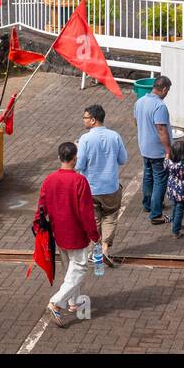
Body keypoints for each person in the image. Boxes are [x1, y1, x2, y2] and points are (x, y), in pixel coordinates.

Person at [37, 142, 101, 327]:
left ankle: (73, 302)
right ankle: (56, 302)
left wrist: (38, 227)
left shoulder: (49, 180)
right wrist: (94, 235)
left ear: (59, 158)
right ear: (75, 158)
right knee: (79, 268)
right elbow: (87, 214)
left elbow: (42, 206)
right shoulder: (80, 181)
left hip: (59, 233)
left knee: (69, 269)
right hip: (77, 235)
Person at [75, 104, 128, 268]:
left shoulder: (85, 139)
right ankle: (105, 250)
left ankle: (95, 252)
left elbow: (79, 164)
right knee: (111, 218)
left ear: (93, 120)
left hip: (91, 189)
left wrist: (77, 149)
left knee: (94, 220)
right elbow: (123, 160)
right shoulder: (115, 136)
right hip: (111, 187)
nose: (83, 120)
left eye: (85, 118)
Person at [133, 76, 173, 224]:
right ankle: (156, 214)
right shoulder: (159, 106)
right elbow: (162, 130)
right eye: (167, 91)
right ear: (163, 89)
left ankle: (148, 204)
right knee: (160, 180)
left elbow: (136, 121)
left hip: (144, 147)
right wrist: (168, 150)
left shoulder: (139, 101)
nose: (167, 93)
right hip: (157, 151)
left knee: (148, 176)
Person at [164, 139, 184, 238]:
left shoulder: (169, 162)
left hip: (172, 189)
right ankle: (176, 230)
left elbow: (164, 167)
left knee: (174, 207)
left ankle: (174, 223)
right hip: (181, 191)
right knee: (180, 209)